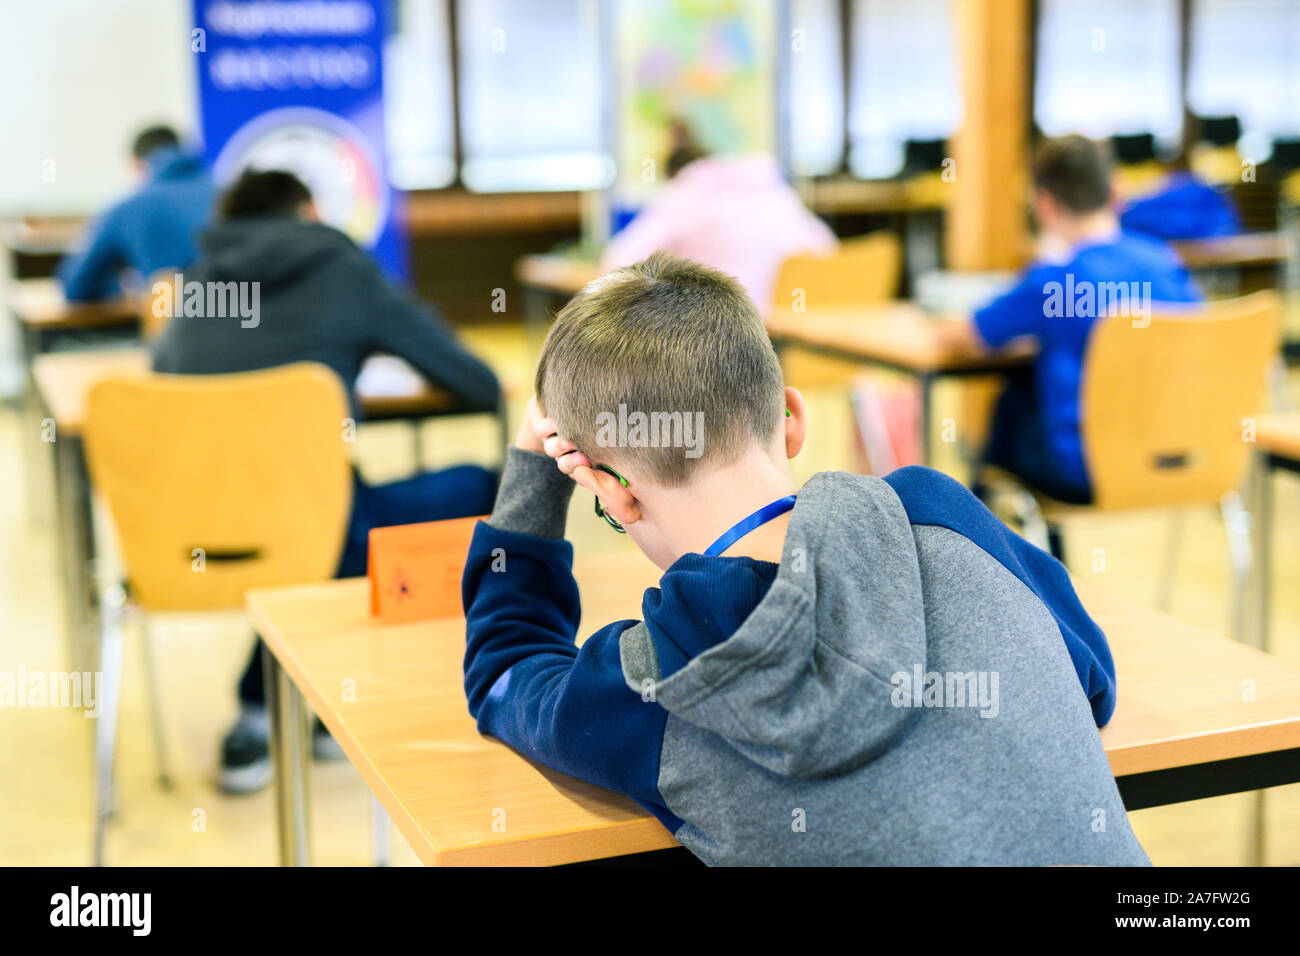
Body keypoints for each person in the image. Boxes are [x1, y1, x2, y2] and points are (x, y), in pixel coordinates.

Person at [459, 252, 1150, 866]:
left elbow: (502, 672)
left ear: (612, 490)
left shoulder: (661, 681)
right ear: (790, 417)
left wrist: (535, 462)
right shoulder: (941, 515)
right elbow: (1093, 677)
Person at [154, 169, 501, 793]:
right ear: (309, 211)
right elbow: (474, 381)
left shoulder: (190, 284)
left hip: (189, 538)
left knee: (321, 506)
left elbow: (165, 382)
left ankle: (269, 707)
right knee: (486, 484)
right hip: (324, 530)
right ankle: (313, 690)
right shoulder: (343, 269)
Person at [940, 135, 1203, 506]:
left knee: (1015, 398)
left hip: (1083, 469)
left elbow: (965, 337)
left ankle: (977, 531)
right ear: (1115, 190)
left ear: (1044, 204)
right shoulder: (1166, 263)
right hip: (1178, 455)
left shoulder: (1055, 280)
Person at [600, 127, 835, 312]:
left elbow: (615, 264)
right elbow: (828, 249)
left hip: (719, 351)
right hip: (800, 349)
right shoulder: (775, 192)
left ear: (675, 174)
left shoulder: (683, 193)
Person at [59, 125, 217, 301]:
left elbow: (76, 287)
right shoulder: (229, 193)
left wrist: (124, 287)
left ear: (136, 165)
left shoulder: (125, 208)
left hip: (174, 323)